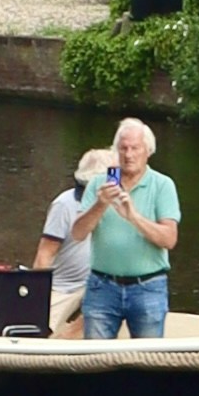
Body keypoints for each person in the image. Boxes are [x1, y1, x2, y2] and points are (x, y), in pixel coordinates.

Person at [76, 115, 182, 342]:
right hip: (101, 286)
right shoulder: (99, 184)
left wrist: (133, 216)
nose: (128, 155)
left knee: (147, 361)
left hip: (148, 287)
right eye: (123, 148)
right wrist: (100, 203)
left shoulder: (162, 185)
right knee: (94, 360)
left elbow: (169, 239)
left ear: (148, 151)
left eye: (135, 148)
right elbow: (77, 234)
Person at [32, 165, 100, 333]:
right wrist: (38, 294)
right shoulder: (64, 204)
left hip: (98, 283)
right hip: (64, 286)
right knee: (40, 330)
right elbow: (45, 253)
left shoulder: (119, 202)